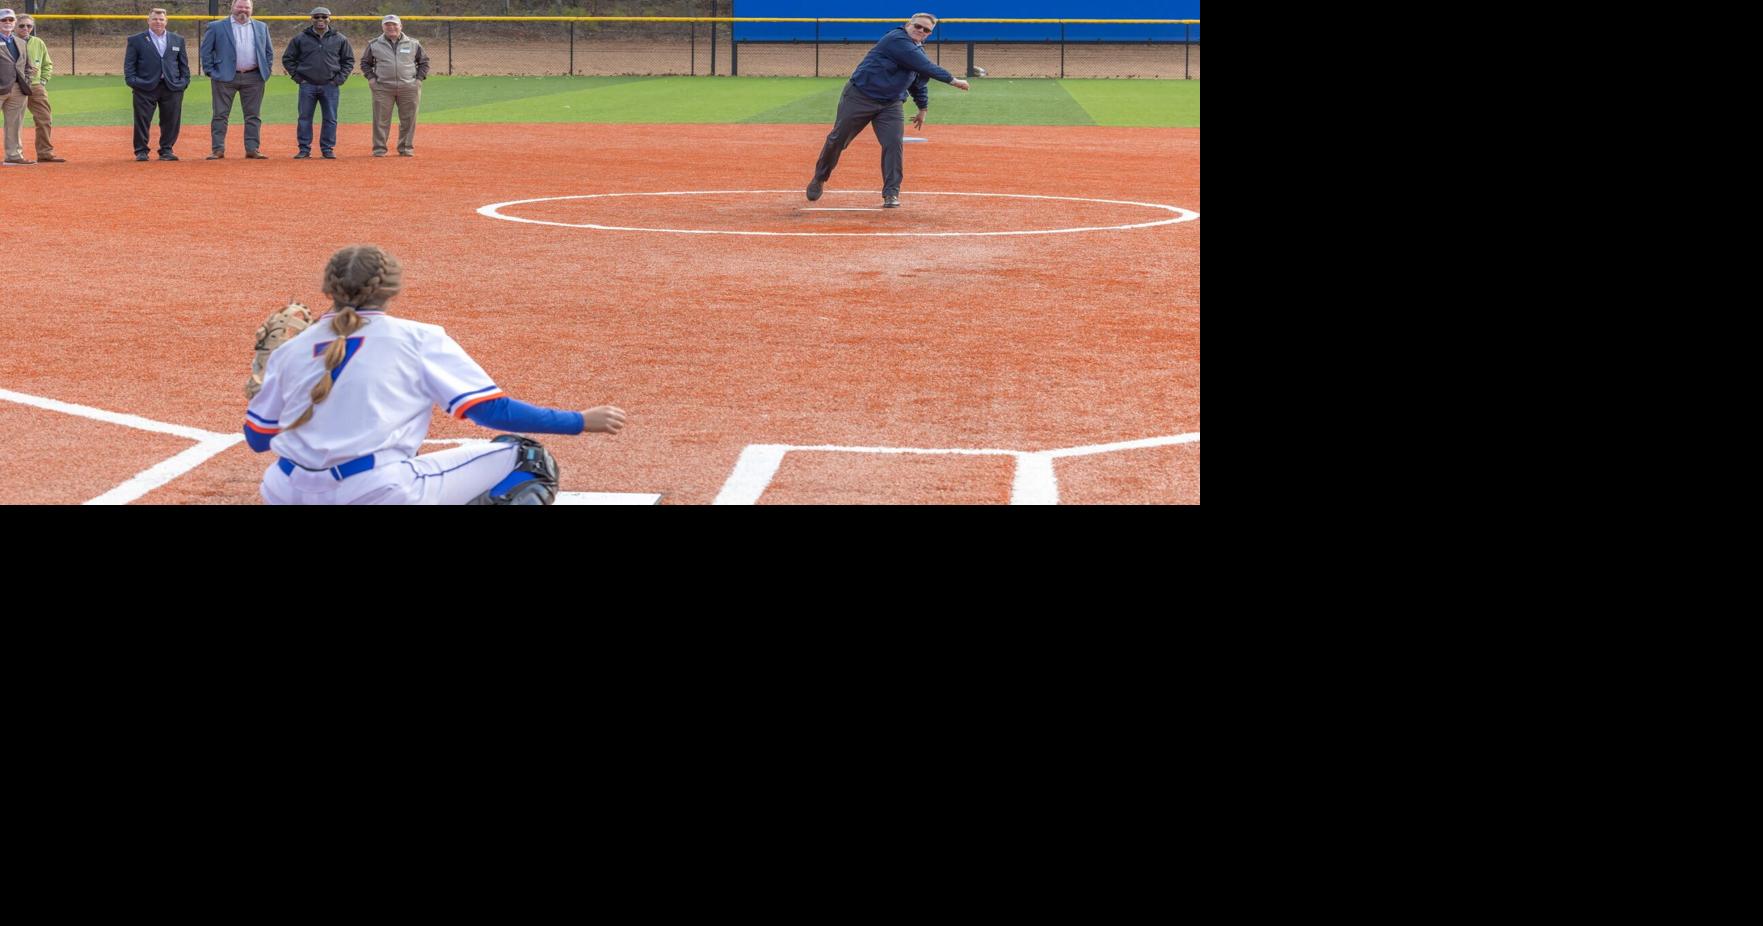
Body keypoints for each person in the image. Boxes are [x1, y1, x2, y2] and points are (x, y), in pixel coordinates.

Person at [244, 245, 628, 505]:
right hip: (375, 491)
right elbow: (490, 412)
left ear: (329, 287)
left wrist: (262, 373)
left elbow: (259, 440)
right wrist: (580, 421)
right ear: (391, 289)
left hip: (285, 492)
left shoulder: (292, 350)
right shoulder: (416, 338)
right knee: (528, 458)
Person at [806, 12, 967, 208]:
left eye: (926, 30)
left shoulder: (918, 53)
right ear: (908, 25)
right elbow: (926, 66)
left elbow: (919, 82)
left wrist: (923, 108)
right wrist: (953, 80)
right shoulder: (896, 39)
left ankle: (891, 193)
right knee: (838, 139)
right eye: (918, 26)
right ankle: (819, 178)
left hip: (890, 104)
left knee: (893, 144)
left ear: (929, 34)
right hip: (860, 96)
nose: (921, 31)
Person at [200, 0, 273, 159]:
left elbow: (268, 52)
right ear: (232, 7)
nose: (243, 10)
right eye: (240, 6)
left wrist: (265, 70)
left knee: (253, 115)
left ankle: (252, 149)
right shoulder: (217, 26)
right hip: (224, 77)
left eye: (247, 7)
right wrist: (211, 71)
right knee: (220, 114)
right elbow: (206, 51)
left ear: (252, 9)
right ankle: (218, 149)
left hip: (254, 77)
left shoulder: (261, 27)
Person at [282, 7, 352, 159]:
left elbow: (348, 61)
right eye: (316, 17)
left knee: (330, 118)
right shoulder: (300, 38)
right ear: (311, 19)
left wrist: (338, 80)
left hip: (330, 85)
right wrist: (298, 78)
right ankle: (304, 149)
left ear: (329, 18)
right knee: (304, 118)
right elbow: (288, 59)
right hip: (308, 85)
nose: (320, 19)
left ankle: (327, 149)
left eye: (324, 16)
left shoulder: (340, 39)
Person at [123, 9, 191, 162]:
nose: (158, 22)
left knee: (171, 120)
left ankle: (166, 149)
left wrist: (183, 82)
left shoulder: (177, 40)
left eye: (161, 19)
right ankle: (141, 151)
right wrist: (133, 81)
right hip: (145, 87)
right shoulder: (136, 40)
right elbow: (129, 65)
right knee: (142, 120)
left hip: (172, 86)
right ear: (148, 21)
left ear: (166, 22)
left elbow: (183, 65)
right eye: (154, 19)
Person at [359, 14, 429, 158]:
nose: (391, 27)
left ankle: (405, 148)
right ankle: (379, 149)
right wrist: (371, 79)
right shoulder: (374, 44)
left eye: (394, 24)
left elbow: (424, 62)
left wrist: (418, 79)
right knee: (380, 120)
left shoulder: (413, 43)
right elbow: (365, 63)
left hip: (409, 87)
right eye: (387, 25)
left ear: (400, 26)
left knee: (408, 119)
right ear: (383, 27)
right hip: (383, 87)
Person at [15, 15, 61, 162]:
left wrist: (42, 80)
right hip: (13, 87)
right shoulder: (7, 42)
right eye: (22, 25)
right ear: (15, 26)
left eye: (29, 26)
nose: (25, 28)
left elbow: (47, 64)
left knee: (44, 119)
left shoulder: (38, 42)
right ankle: (14, 155)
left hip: (35, 86)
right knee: (13, 121)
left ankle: (45, 153)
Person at [0, 9, 34, 166]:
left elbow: (27, 65)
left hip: (18, 89)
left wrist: (26, 80)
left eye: (10, 20)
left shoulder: (21, 42)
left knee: (15, 124)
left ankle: (13, 155)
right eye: (4, 20)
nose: (7, 23)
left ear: (14, 23)